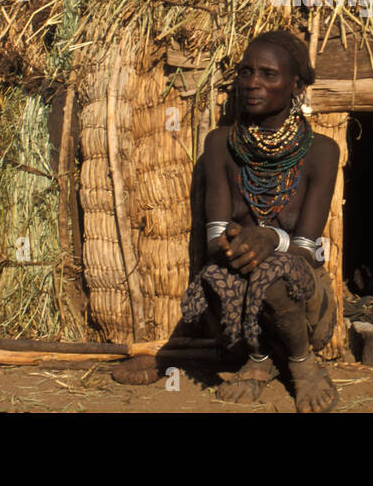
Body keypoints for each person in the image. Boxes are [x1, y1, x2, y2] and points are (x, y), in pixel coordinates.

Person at [115, 29, 341, 412]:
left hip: (303, 302)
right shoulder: (221, 144)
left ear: (296, 85)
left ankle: (303, 365)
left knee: (272, 269)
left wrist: (270, 238)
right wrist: (240, 245)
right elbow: (213, 240)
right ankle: (258, 359)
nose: (253, 83)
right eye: (246, 72)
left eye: (269, 75)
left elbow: (306, 249)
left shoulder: (321, 151)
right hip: (235, 295)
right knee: (230, 272)